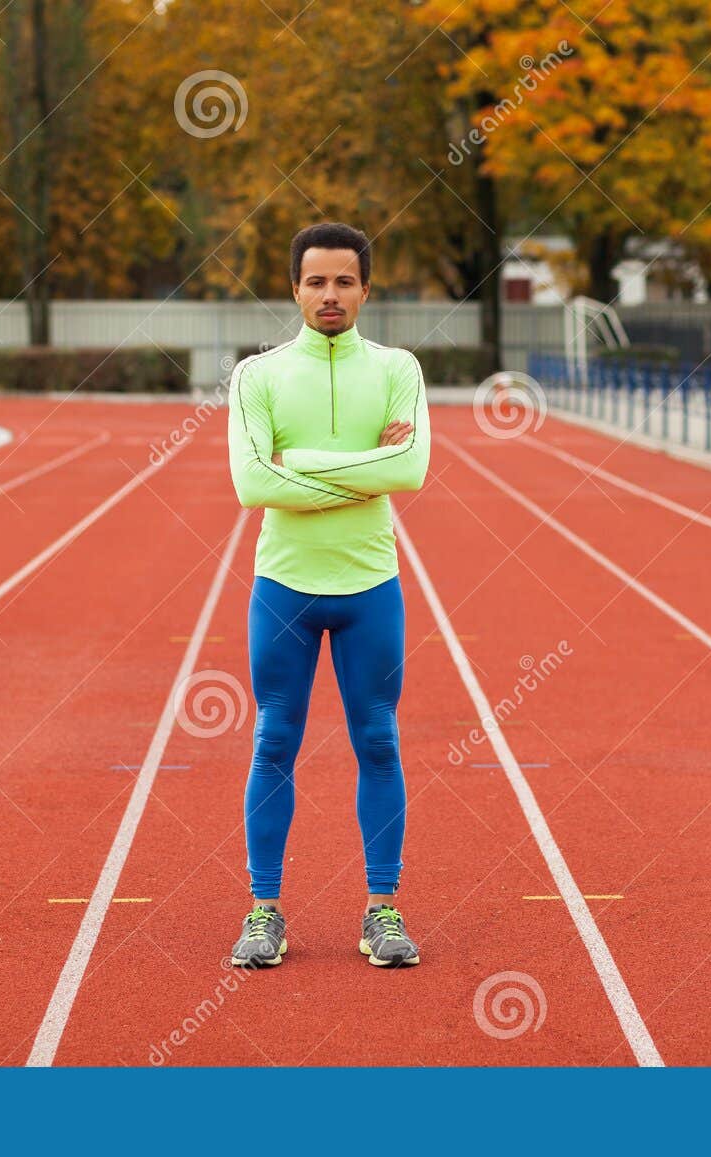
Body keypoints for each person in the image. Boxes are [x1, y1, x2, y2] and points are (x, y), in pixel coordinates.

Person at [224, 220, 431, 968]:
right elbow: (251, 483)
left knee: (377, 740)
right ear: (294, 289)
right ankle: (263, 912)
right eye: (317, 281)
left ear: (366, 289)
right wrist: (363, 463)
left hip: (370, 584)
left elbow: (409, 469)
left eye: (345, 280)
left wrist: (300, 462)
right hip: (284, 585)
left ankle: (383, 909)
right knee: (274, 740)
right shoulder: (259, 375)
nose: (330, 294)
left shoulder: (398, 367)